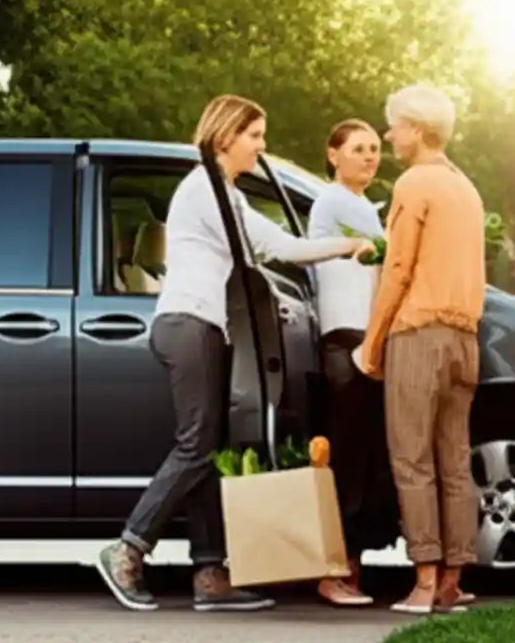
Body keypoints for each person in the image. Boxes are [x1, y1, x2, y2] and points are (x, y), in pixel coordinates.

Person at [95, 94, 373, 613]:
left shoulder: (225, 192)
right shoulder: (204, 189)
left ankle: (211, 573)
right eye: (255, 136)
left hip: (207, 326)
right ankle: (128, 549)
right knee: (196, 444)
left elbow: (281, 246)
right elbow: (258, 250)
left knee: (209, 446)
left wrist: (345, 246)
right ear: (226, 136)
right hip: (189, 323)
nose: (261, 147)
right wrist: (344, 245)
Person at [356, 85, 486, 615]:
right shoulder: (466, 188)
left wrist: (372, 339)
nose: (388, 136)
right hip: (465, 339)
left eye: (394, 126)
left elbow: (399, 268)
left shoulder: (414, 183)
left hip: (419, 333)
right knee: (454, 461)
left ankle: (424, 581)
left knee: (410, 459)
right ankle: (453, 579)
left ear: (416, 127)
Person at [307, 118, 396, 606]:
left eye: (375, 148)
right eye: (358, 148)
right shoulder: (335, 201)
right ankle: (333, 571)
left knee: (360, 457)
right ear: (334, 154)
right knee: (350, 457)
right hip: (348, 340)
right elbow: (390, 257)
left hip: (360, 338)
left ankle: (349, 567)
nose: (369, 156)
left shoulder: (359, 205)